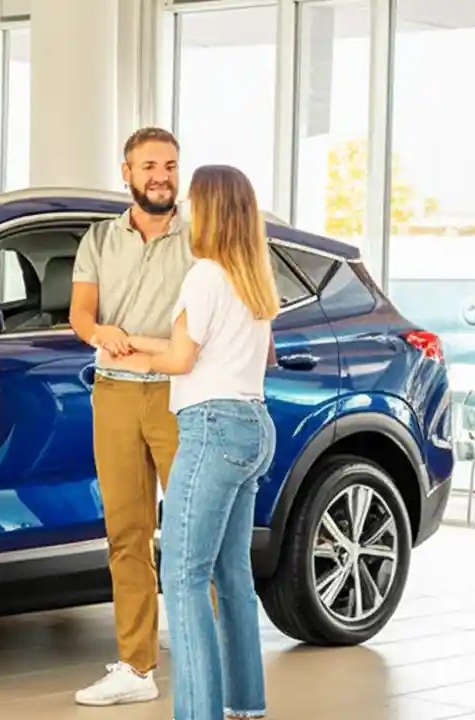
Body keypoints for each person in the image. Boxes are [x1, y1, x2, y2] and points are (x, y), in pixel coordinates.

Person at [108, 164, 278, 720]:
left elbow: (181, 359)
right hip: (254, 425)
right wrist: (134, 343)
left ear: (211, 210)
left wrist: (128, 351)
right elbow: (214, 352)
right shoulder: (254, 277)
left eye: (194, 202)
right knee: (231, 575)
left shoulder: (205, 274)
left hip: (210, 429)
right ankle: (245, 707)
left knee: (182, 576)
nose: (185, 211)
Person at [69, 127, 195, 707]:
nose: (161, 176)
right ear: (127, 173)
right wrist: (99, 333)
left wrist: (139, 342)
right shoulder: (98, 239)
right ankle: (135, 668)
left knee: (196, 535)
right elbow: (81, 313)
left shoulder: (202, 238)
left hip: (179, 394)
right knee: (127, 533)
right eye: (149, 166)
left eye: (169, 165)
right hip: (116, 394)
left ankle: (205, 661)